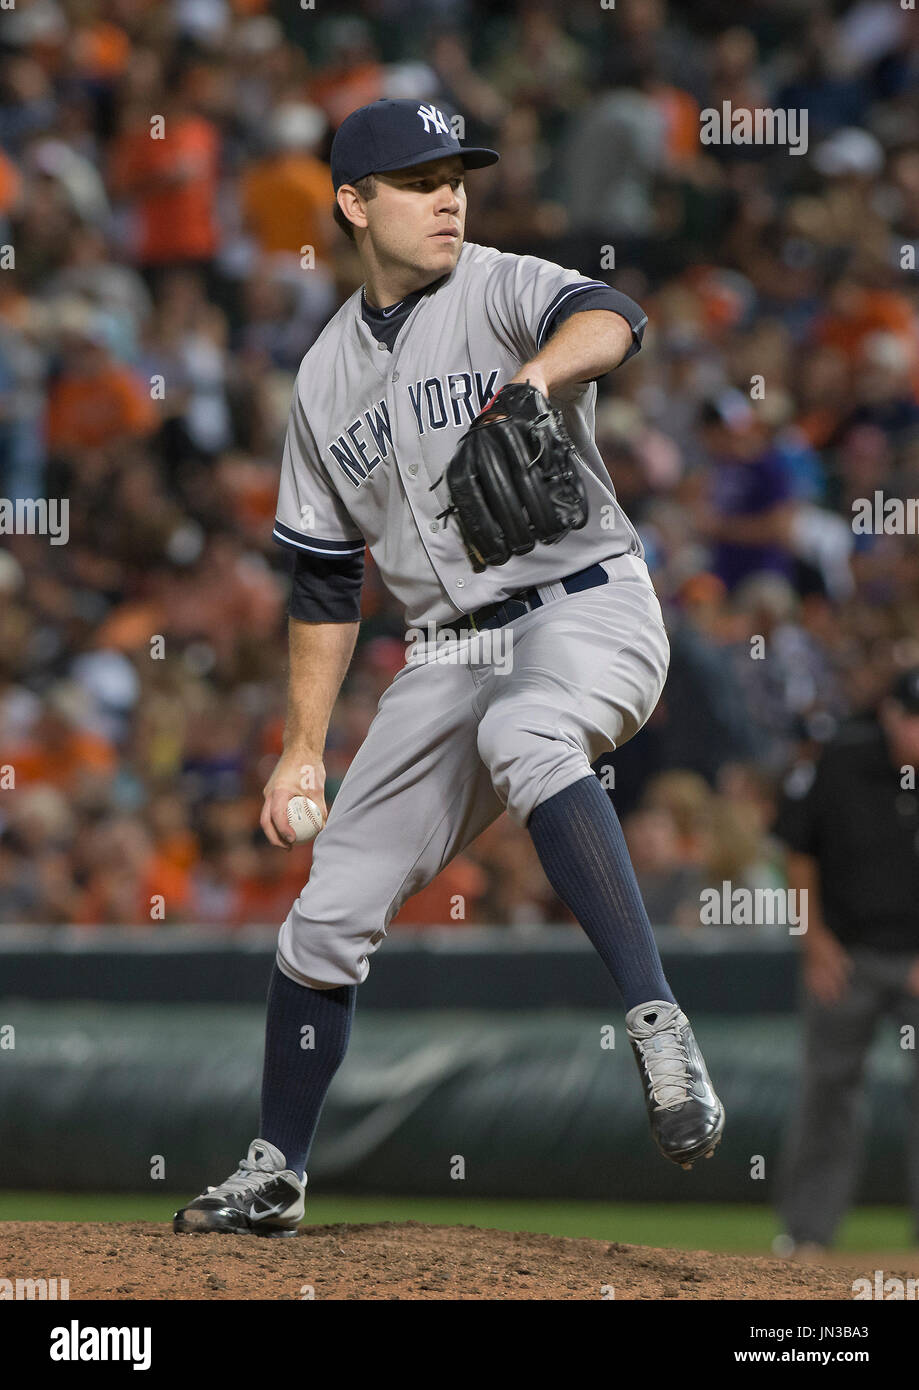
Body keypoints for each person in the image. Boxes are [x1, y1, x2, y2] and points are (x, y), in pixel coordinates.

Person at [173, 98, 724, 1237]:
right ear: (353, 203)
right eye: (419, 180)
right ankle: (277, 1167)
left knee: (523, 732)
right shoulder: (322, 378)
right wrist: (299, 750)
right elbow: (326, 581)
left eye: (456, 175)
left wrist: (532, 381)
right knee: (326, 911)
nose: (448, 197)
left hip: (588, 609)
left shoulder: (497, 283)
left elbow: (613, 317)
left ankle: (659, 1025)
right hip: (446, 650)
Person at [773, 668, 919, 1256]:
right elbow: (799, 850)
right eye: (911, 718)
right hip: (847, 956)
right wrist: (815, 943)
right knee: (827, 1092)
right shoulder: (838, 762)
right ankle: (806, 1236)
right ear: (888, 715)